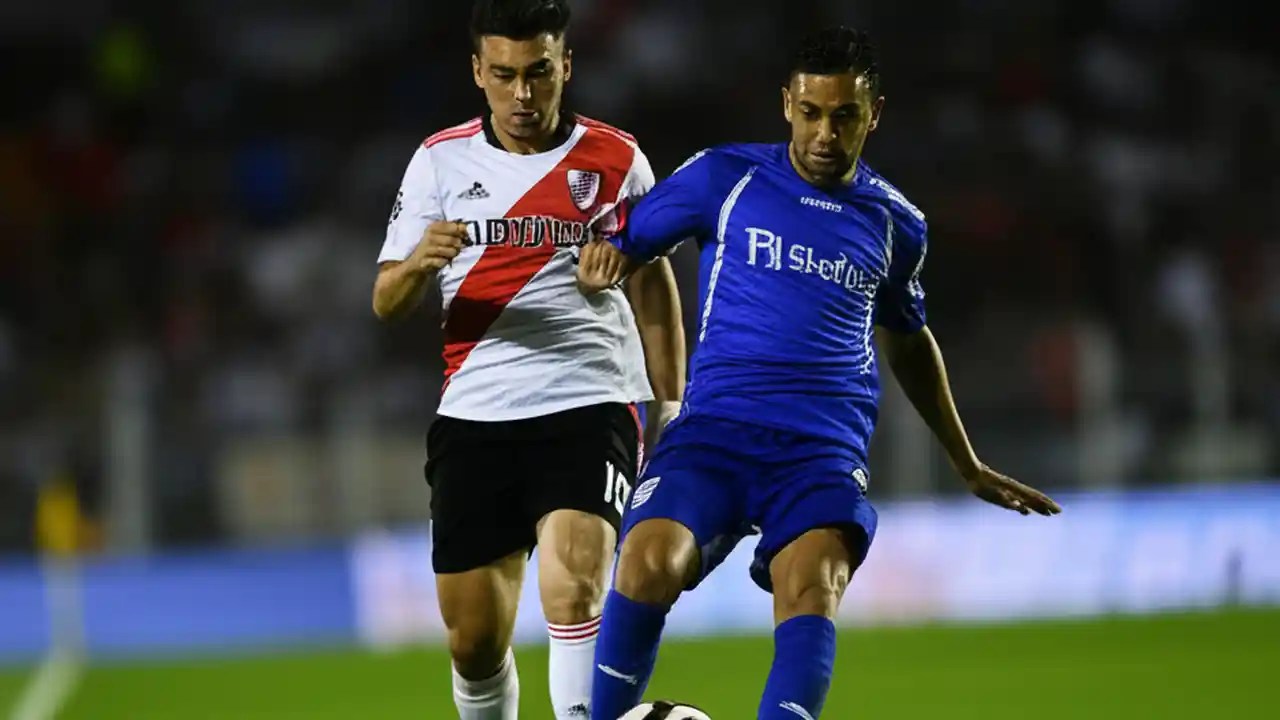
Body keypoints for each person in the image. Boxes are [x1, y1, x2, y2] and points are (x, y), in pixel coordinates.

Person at [577, 26, 1061, 720]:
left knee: (812, 584)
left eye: (844, 116)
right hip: (716, 430)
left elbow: (908, 340)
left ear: (874, 114)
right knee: (648, 561)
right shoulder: (724, 178)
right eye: (810, 113)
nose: (825, 134)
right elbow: (621, 239)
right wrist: (607, 258)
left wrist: (967, 462)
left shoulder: (897, 224)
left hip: (819, 452)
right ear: (787, 104)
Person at [371, 1, 684, 718]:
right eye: (505, 74)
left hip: (589, 399)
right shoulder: (439, 161)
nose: (522, 93)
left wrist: (671, 403)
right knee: (474, 641)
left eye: (539, 72)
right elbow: (386, 299)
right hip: (476, 413)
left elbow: (655, 288)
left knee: (575, 588)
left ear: (565, 67)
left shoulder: (617, 159)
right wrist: (419, 263)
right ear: (478, 72)